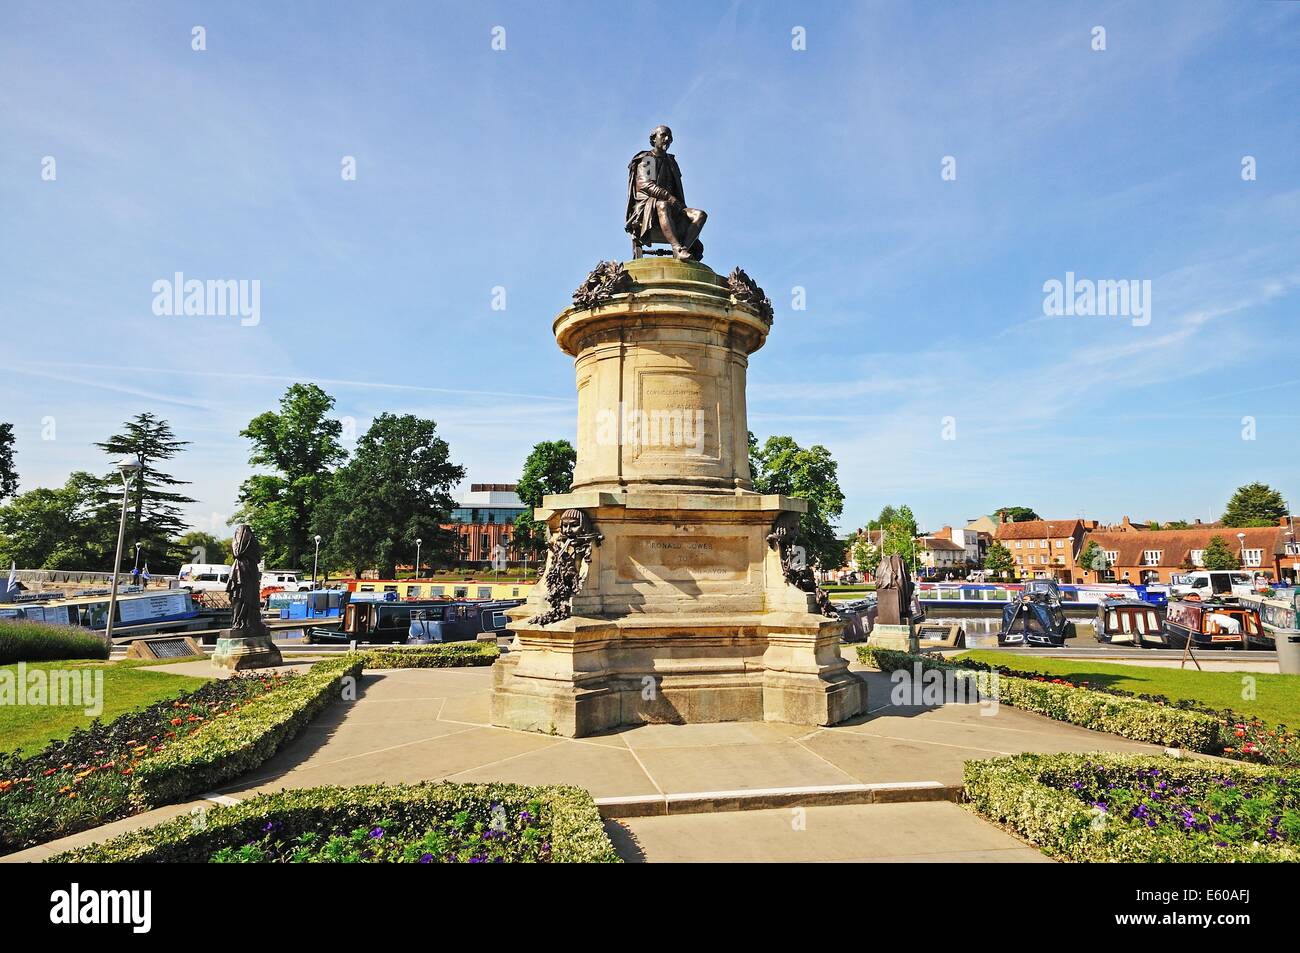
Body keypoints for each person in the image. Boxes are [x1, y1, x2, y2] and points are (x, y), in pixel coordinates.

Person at [625, 126, 707, 261]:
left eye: (669, 137)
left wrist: (679, 205)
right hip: (648, 207)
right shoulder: (649, 159)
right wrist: (669, 197)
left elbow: (677, 190)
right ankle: (677, 247)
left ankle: (683, 249)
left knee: (700, 215)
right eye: (663, 135)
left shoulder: (671, 162)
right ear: (653, 139)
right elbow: (647, 185)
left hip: (673, 206)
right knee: (663, 205)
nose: (667, 139)